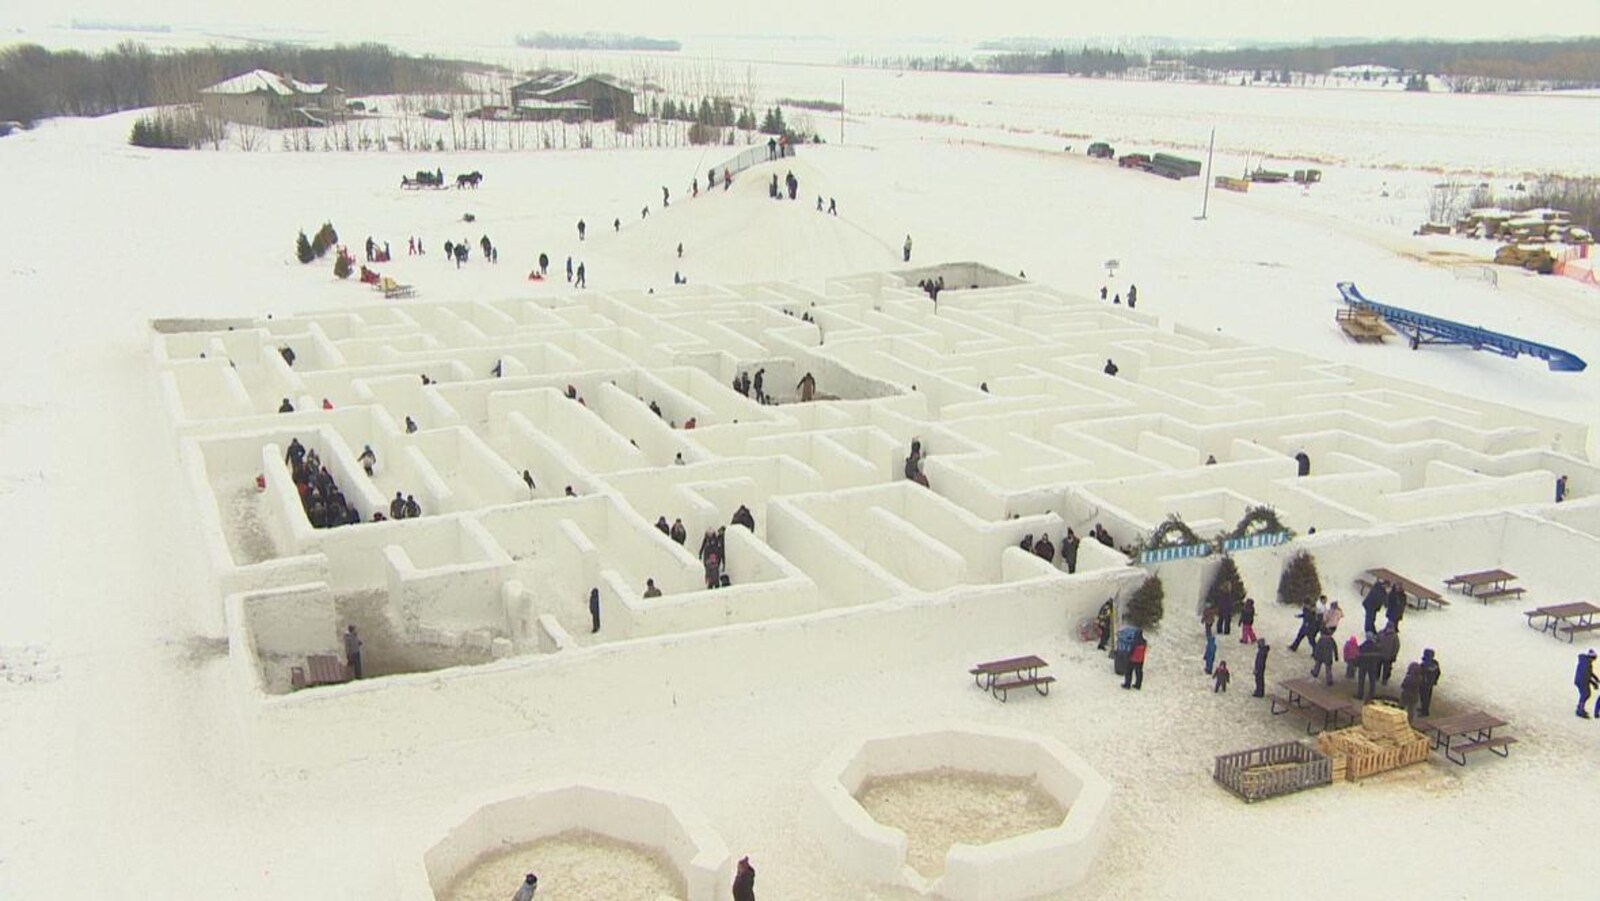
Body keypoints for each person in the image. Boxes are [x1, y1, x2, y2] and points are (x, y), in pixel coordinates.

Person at [1355, 631, 1381, 701]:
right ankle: (1372, 695)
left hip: (1363, 665)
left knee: (1361, 680)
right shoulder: (1376, 646)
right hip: (1372, 666)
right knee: (1372, 681)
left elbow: (1358, 654)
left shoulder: (1363, 645)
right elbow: (1379, 656)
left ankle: (1360, 694)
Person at [1417, 648, 1441, 717]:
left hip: (1425, 683)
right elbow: (1438, 673)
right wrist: (1435, 681)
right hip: (1430, 683)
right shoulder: (1435, 664)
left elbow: (1421, 672)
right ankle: (1424, 709)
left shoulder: (1425, 664)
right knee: (1427, 697)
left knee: (1424, 697)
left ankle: (1424, 711)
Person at [1576, 649, 1598, 718]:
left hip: (1581, 680)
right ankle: (1580, 710)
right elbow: (1586, 676)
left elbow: (1589, 673)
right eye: (1594, 658)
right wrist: (1594, 683)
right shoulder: (1586, 664)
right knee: (1585, 694)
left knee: (1585, 694)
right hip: (1581, 681)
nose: (1593, 660)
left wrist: (1596, 678)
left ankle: (1580, 707)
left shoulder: (1586, 662)